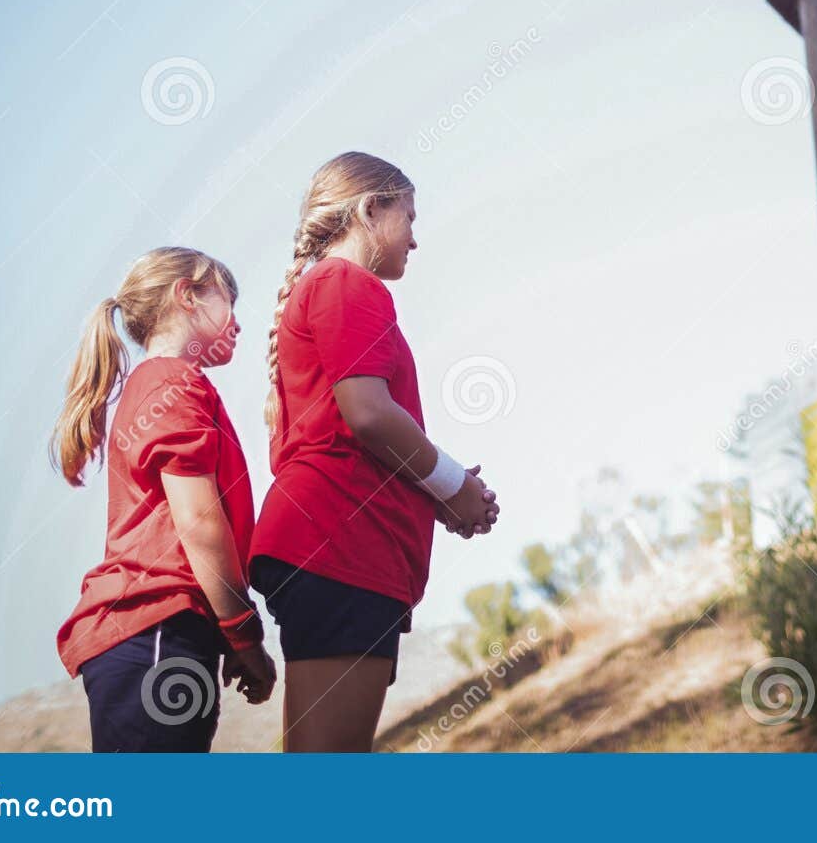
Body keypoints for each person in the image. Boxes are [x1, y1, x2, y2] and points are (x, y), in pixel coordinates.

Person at [251, 152, 500, 752]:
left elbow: (351, 430)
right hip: (343, 545)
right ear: (369, 210)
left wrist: (431, 493)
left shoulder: (323, 289)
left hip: (333, 547)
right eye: (408, 216)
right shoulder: (346, 282)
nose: (415, 238)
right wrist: (453, 487)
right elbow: (367, 413)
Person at [54, 248, 275, 752]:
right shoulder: (171, 383)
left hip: (169, 632)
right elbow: (199, 523)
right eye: (229, 300)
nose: (238, 323)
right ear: (188, 295)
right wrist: (245, 635)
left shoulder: (168, 384)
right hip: (156, 628)